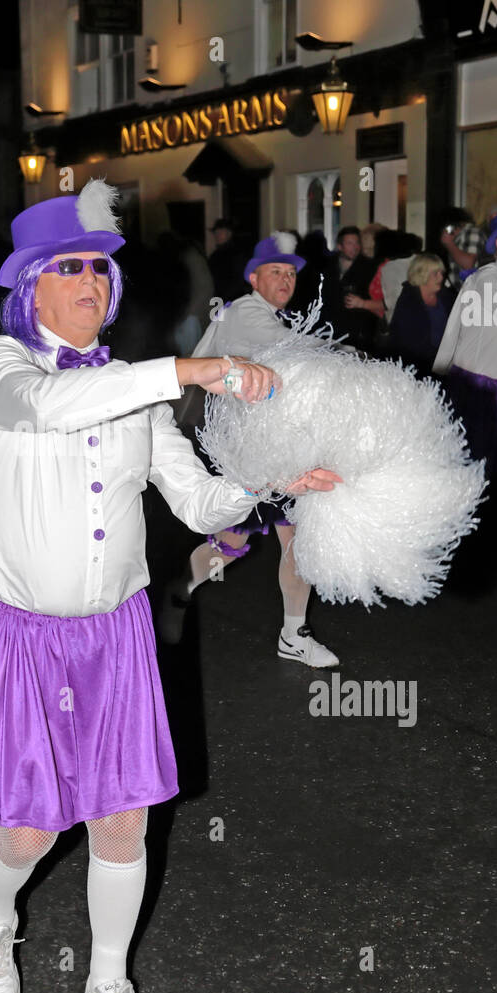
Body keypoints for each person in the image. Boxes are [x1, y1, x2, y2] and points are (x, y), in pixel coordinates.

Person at [0, 181, 339, 993]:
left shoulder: (128, 391)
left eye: (100, 269)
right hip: (17, 639)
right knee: (24, 834)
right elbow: (49, 409)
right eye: (72, 269)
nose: (93, 283)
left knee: (122, 824)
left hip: (115, 639)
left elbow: (193, 494)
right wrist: (191, 372)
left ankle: (108, 985)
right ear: (31, 287)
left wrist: (278, 481)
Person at [160, 232, 340, 667]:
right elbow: (296, 354)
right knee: (230, 540)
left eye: (291, 273)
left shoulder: (272, 315)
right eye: (275, 271)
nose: (286, 279)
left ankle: (294, 633)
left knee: (296, 538)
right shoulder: (244, 313)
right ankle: (177, 594)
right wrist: (353, 357)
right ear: (253, 277)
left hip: (274, 448)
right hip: (238, 450)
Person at [433, 211, 497, 476]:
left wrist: (441, 373)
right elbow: (454, 331)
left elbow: (452, 332)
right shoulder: (485, 280)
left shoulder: (477, 278)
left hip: (468, 381)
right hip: (485, 388)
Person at [387, 253, 455, 374]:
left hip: (443, 364)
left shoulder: (446, 297)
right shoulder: (408, 301)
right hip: (415, 368)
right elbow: (407, 344)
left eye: (441, 273)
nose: (441, 278)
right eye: (435, 274)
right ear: (421, 275)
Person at [323, 226, 383, 353]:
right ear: (339, 246)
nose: (354, 247)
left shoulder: (370, 267)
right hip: (331, 332)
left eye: (357, 243)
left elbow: (381, 301)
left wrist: (362, 303)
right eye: (349, 243)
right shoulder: (327, 265)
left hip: (360, 333)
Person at [206, 217, 248, 305]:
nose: (217, 235)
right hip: (217, 302)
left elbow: (238, 282)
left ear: (229, 234)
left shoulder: (237, 254)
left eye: (221, 232)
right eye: (216, 233)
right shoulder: (214, 256)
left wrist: (223, 299)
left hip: (232, 303)